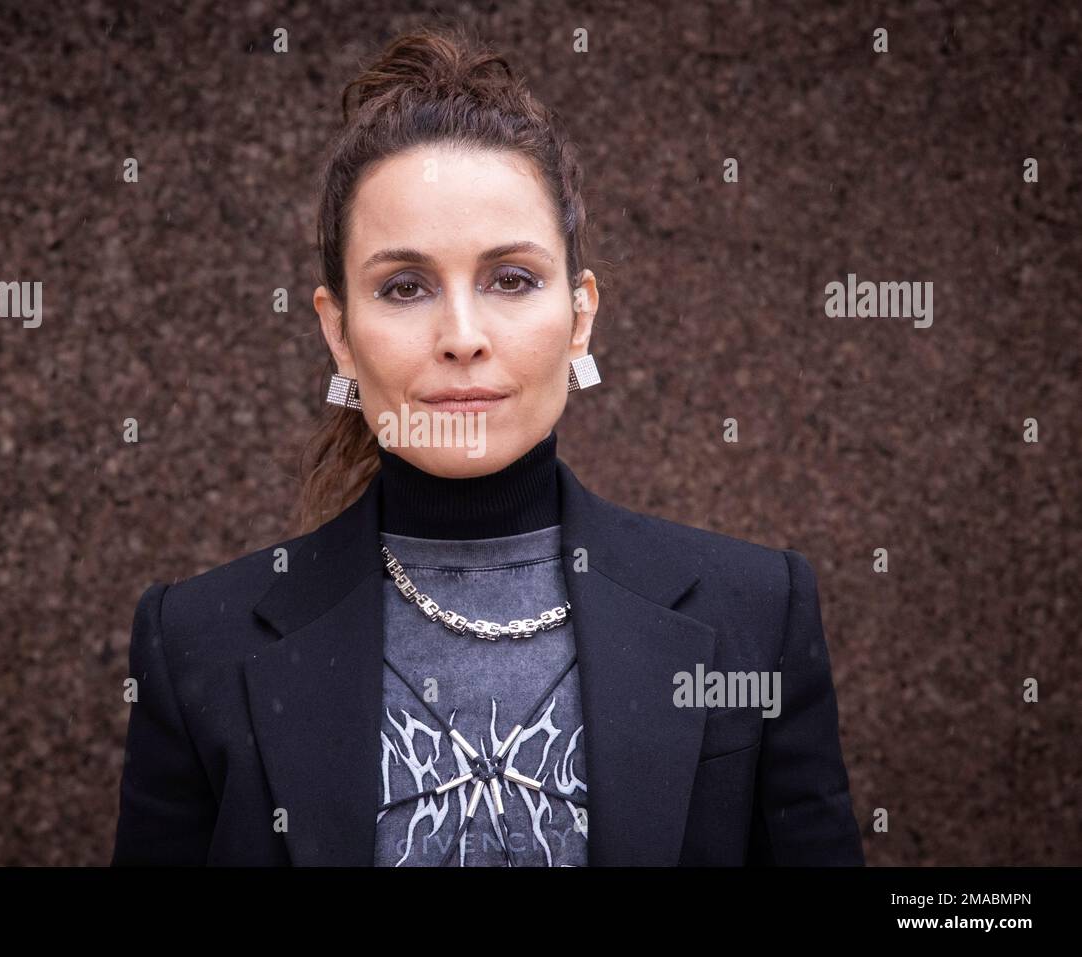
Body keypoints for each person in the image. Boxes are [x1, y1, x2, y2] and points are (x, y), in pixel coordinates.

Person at [110, 23, 864, 867]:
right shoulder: (197, 642)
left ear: (580, 316)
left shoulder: (754, 612)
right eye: (404, 287)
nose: (462, 335)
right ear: (340, 334)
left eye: (511, 279)